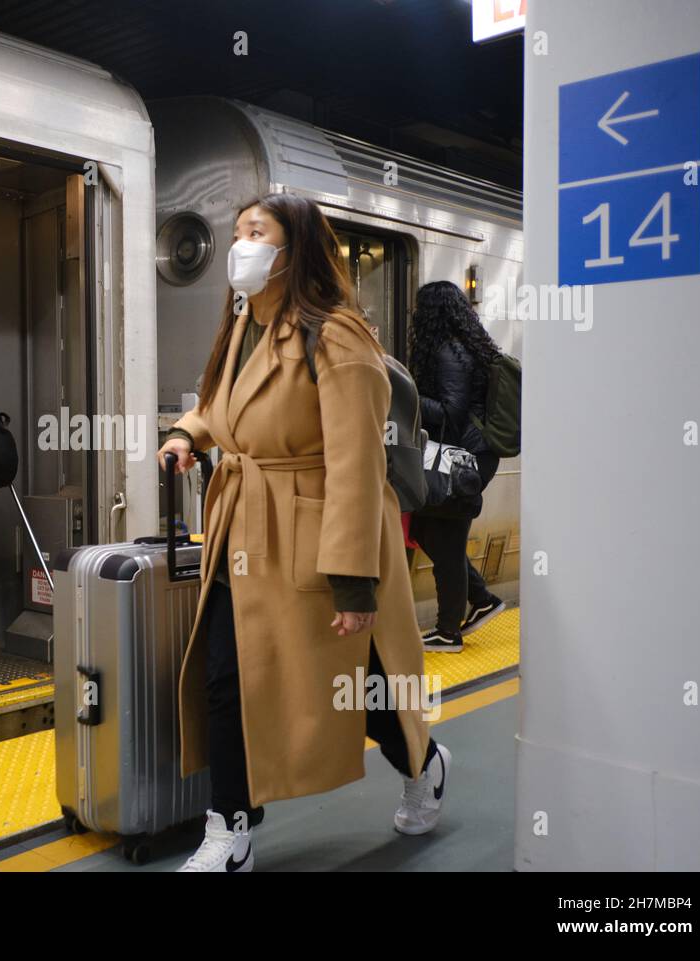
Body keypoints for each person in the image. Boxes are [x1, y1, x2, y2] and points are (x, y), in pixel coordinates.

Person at [158, 195, 449, 872]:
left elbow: (355, 460)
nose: (241, 246)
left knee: (362, 688)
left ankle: (423, 761)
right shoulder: (240, 325)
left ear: (296, 250)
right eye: (238, 234)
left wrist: (353, 580)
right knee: (225, 675)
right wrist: (185, 433)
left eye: (256, 233)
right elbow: (220, 405)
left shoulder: (337, 333)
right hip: (244, 527)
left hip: (314, 536)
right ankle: (229, 827)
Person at [406, 280, 507, 654]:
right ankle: (481, 599)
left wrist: (404, 392)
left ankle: (449, 632)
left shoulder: (450, 352)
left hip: (462, 462)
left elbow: (451, 412)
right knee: (429, 530)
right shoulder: (464, 349)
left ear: (433, 313)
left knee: (444, 541)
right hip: (463, 458)